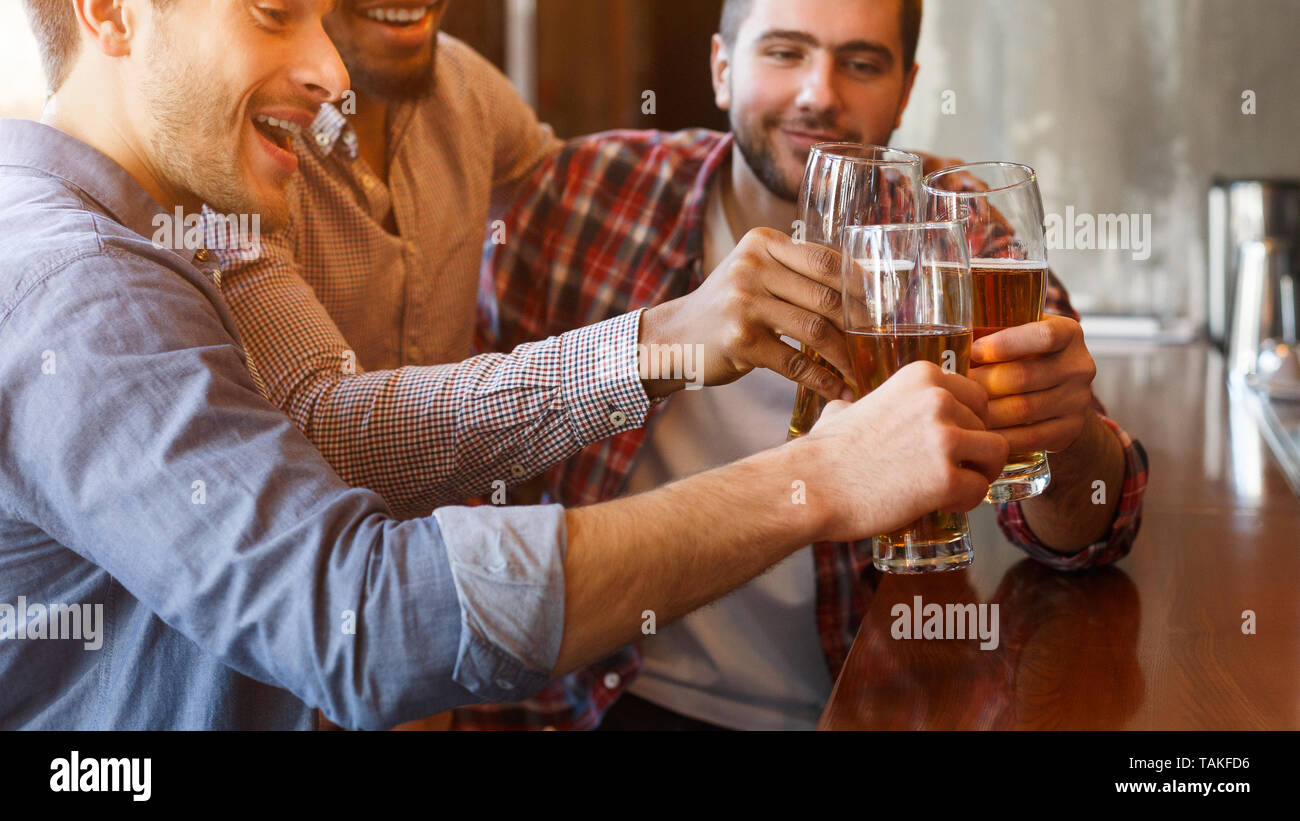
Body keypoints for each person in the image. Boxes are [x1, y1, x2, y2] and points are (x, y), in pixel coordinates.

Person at [0, 0, 1007, 730]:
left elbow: (318, 443)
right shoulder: (88, 286)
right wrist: (819, 477)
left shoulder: (190, 206)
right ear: (109, 13)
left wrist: (671, 333)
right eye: (273, 12)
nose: (331, 72)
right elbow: (363, 612)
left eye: (861, 64)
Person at [476, 0, 1150, 730]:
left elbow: (1091, 533)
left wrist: (1069, 432)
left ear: (906, 89)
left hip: (857, 705)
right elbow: (472, 455)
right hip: (602, 703)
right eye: (785, 52)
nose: (819, 93)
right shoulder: (589, 191)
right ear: (721, 68)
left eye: (861, 63)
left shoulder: (958, 220)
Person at [212, 0, 857, 523]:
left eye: (860, 64)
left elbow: (587, 180)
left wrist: (884, 184)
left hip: (473, 619)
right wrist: (656, 346)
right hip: (309, 632)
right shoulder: (223, 145)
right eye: (784, 51)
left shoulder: (462, 87)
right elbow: (320, 432)